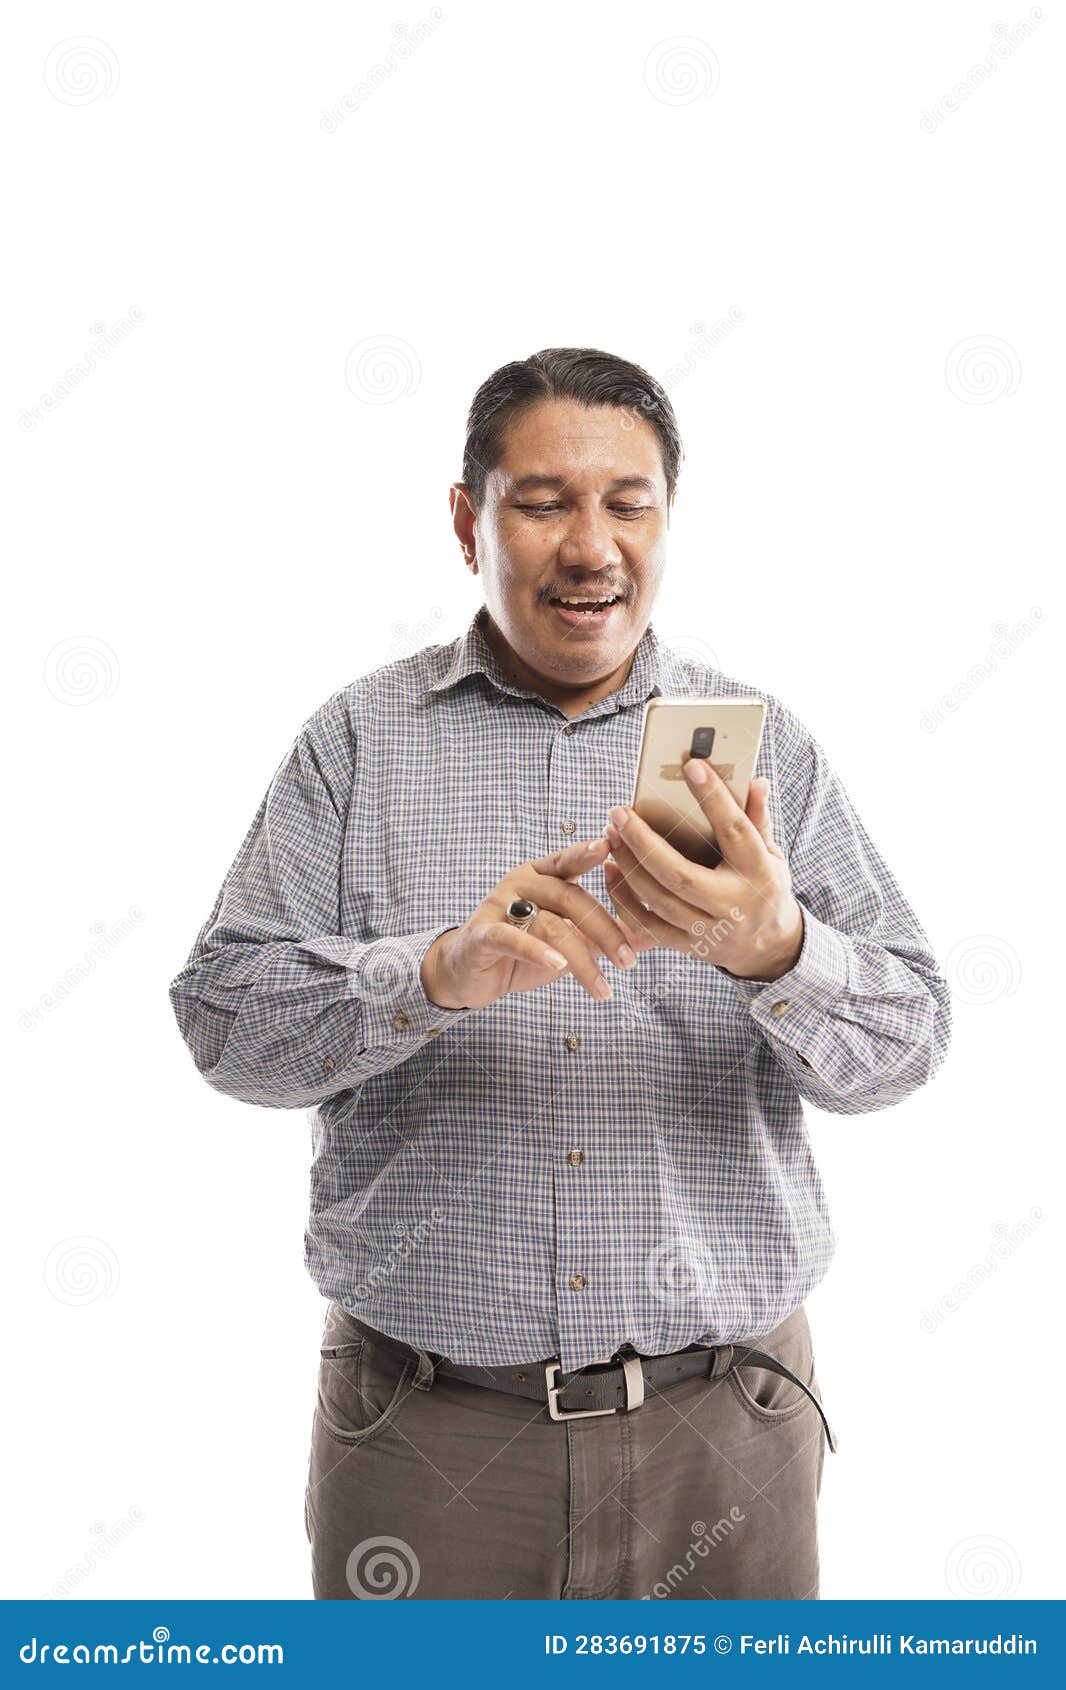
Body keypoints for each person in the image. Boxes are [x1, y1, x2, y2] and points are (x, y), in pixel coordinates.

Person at [168, 347, 951, 1600]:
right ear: (468, 520)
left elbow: (911, 1040)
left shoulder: (768, 753)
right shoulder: (355, 741)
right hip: (425, 1439)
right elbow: (218, 1022)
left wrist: (779, 953)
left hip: (727, 1430)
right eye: (543, 502)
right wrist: (428, 976)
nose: (591, 546)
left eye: (626, 502)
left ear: (665, 520)